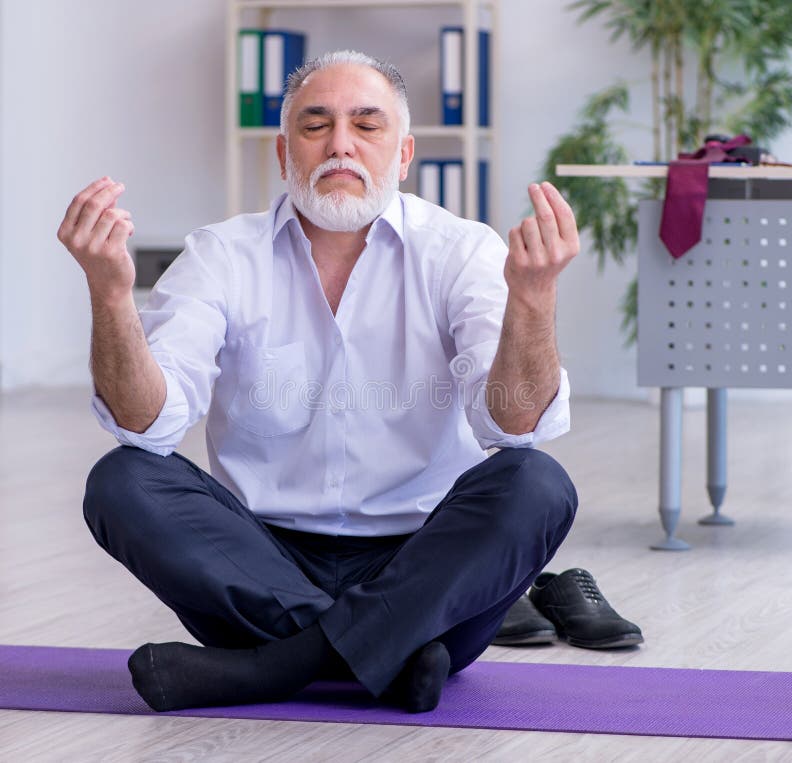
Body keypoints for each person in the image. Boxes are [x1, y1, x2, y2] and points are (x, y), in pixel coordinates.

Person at [57, 50, 580, 714]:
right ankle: (386, 658)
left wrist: (532, 303)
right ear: (283, 153)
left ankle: (275, 668)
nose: (340, 144)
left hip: (424, 571)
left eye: (367, 124)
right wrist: (110, 297)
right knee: (121, 478)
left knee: (537, 482)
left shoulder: (462, 251)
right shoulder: (222, 255)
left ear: (404, 151)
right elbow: (145, 423)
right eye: (316, 125)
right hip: (255, 572)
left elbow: (515, 423)